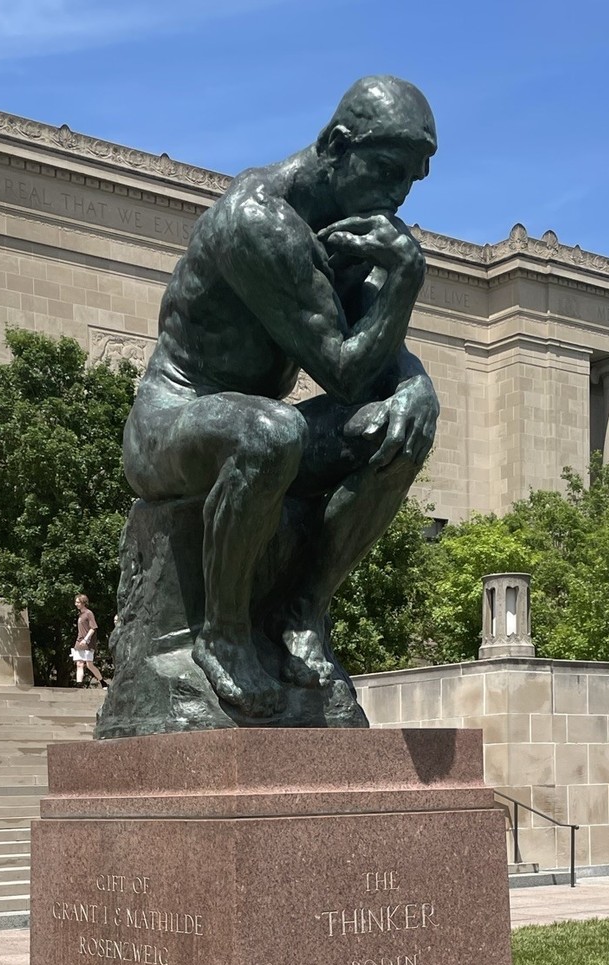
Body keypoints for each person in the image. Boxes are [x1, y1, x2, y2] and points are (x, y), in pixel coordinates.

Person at [122, 75, 439, 718]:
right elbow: (345, 370)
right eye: (387, 170)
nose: (398, 194)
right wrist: (405, 280)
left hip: (260, 423)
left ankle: (302, 611)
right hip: (170, 422)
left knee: (400, 428)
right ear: (336, 144)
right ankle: (223, 634)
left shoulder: (349, 227)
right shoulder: (257, 219)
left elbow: (377, 352)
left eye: (411, 180)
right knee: (271, 432)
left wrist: (416, 385)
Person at [71, 594, 107, 687]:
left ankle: (103, 682)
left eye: (78, 602)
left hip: (87, 643)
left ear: (83, 603)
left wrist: (85, 639)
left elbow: (93, 628)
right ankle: (79, 685)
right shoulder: (80, 614)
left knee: (89, 664)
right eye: (76, 602)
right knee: (79, 664)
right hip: (79, 641)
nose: (76, 604)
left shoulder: (89, 613)